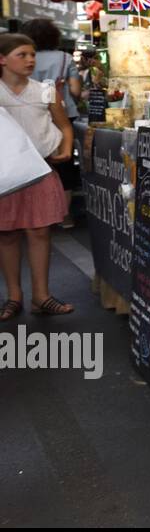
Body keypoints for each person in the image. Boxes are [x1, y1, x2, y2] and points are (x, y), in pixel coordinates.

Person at [0, 34, 74, 320]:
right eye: (22, 55)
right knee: (6, 234)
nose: (30, 60)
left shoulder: (45, 91)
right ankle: (14, 296)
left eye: (32, 54)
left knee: (40, 231)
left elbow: (64, 126)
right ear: (2, 59)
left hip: (40, 169)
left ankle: (41, 296)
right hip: (5, 174)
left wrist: (66, 148)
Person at [22, 19, 81, 227]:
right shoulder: (65, 58)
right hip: (63, 113)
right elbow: (75, 90)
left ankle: (35, 215)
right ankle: (64, 216)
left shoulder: (22, 59)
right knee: (64, 165)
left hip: (30, 114)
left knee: (32, 162)